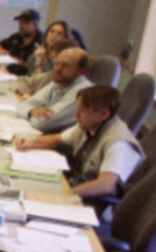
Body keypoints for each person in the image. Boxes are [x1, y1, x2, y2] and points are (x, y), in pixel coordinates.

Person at [15, 86, 144, 200]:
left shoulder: (118, 142)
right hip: (79, 183)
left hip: (98, 202)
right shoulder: (90, 125)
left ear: (103, 113)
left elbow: (105, 185)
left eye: (81, 111)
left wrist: (63, 195)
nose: (76, 115)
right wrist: (29, 141)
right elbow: (57, 139)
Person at [21, 46, 92, 133]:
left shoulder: (83, 92)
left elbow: (41, 123)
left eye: (66, 66)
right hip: (43, 135)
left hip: (61, 143)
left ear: (81, 71)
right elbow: (22, 105)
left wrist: (29, 113)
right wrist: (31, 111)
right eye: (57, 63)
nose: (58, 69)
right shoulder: (58, 83)